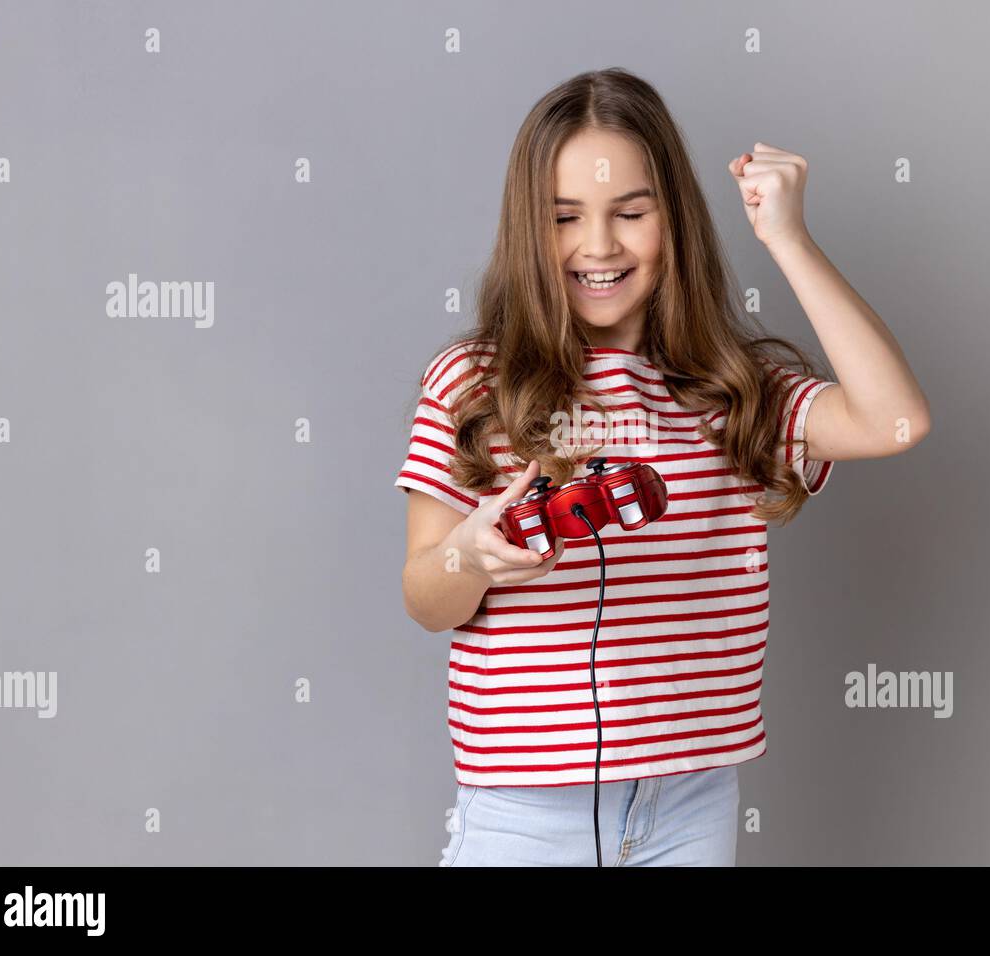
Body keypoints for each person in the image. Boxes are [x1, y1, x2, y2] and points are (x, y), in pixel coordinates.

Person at [395, 67, 931, 866]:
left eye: (632, 213)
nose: (599, 245)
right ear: (526, 229)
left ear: (673, 220)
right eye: (565, 217)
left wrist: (788, 238)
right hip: (524, 807)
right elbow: (426, 600)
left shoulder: (735, 390)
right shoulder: (475, 381)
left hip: (688, 800)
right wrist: (468, 557)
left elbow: (898, 419)